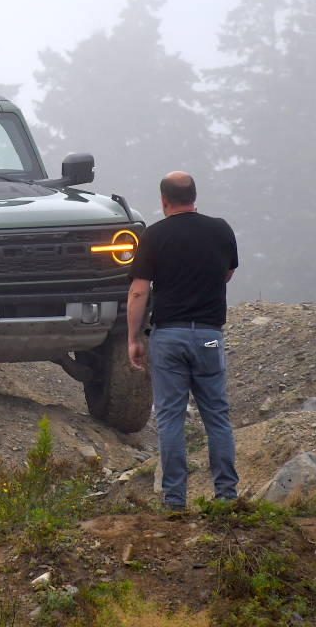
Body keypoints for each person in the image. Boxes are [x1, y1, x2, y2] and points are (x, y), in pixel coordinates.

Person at [126, 171, 239, 510]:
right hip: (208, 335)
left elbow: (138, 291)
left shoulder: (154, 236)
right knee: (217, 416)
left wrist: (133, 338)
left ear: (164, 200)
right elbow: (228, 272)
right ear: (194, 196)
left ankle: (175, 501)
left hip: (169, 336)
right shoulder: (220, 229)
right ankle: (227, 496)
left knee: (171, 417)